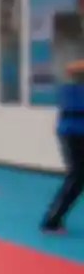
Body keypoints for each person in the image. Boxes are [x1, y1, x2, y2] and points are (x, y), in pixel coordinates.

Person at [42, 57, 84, 232]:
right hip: (74, 133)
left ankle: (53, 219)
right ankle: (52, 220)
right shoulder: (72, 89)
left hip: (70, 132)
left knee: (77, 176)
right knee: (77, 176)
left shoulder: (70, 87)